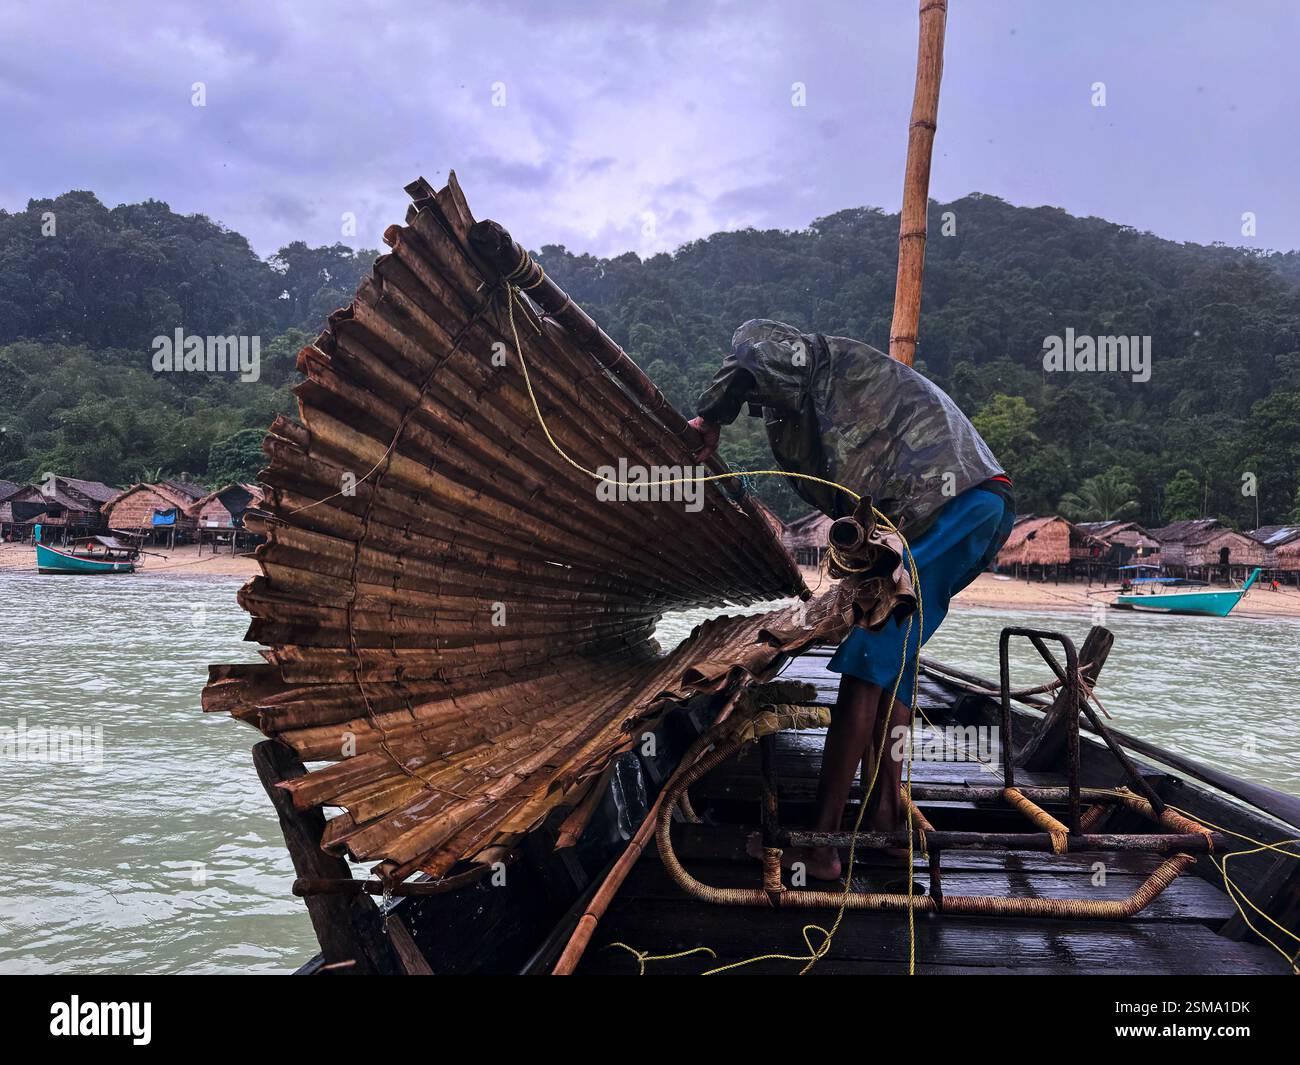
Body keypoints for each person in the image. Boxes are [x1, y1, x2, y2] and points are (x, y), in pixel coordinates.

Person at [688, 319, 1016, 881]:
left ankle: (821, 845)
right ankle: (887, 823)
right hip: (977, 506)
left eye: (755, 389)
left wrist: (709, 416)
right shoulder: (824, 392)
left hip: (948, 503)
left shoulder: (811, 357)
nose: (758, 399)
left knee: (867, 656)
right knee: (897, 664)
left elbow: (751, 360)